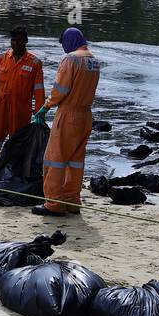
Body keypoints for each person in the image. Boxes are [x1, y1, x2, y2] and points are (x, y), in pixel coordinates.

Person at [31, 27, 101, 217]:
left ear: (69, 41)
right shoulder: (94, 61)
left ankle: (53, 204)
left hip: (68, 114)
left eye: (63, 44)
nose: (63, 48)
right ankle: (72, 201)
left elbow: (60, 90)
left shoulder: (70, 59)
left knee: (55, 159)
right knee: (76, 161)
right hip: (86, 115)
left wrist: (45, 107)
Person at [0, 28, 44, 181]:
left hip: (20, 110)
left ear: (26, 41)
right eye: (13, 40)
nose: (16, 43)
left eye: (19, 40)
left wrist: (40, 113)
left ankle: (12, 177)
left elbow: (39, 90)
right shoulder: (2, 58)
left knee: (17, 145)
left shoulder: (35, 63)